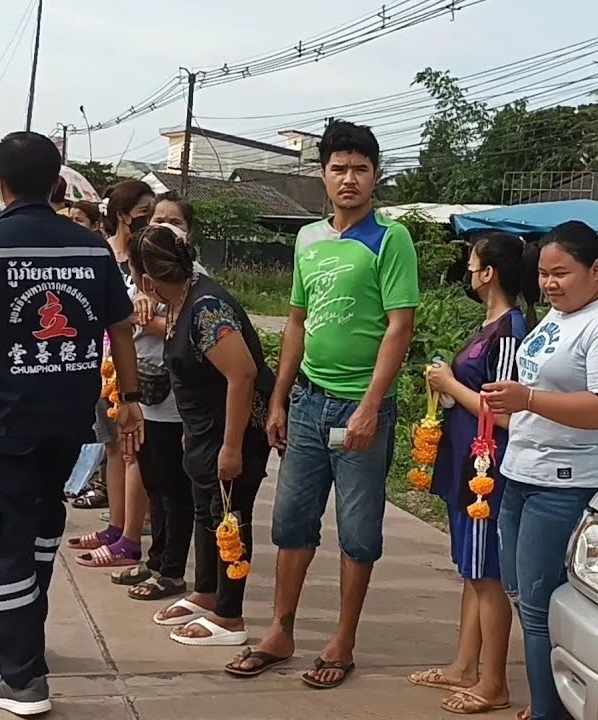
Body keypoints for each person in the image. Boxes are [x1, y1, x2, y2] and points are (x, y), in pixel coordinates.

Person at [0, 130, 144, 716]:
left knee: (4, 540)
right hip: (69, 421)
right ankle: (30, 641)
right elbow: (121, 327)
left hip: (6, 423)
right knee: (43, 529)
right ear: (55, 184)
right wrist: (129, 398)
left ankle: (21, 678)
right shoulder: (92, 248)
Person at [228, 120, 418, 688]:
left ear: (376, 176)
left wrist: (370, 405)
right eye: (339, 168)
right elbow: (296, 322)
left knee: (358, 531)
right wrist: (279, 400)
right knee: (291, 523)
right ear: (323, 175)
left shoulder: (390, 239)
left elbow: (399, 327)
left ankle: (343, 640)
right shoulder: (308, 239)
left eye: (360, 169)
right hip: (308, 404)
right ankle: (280, 631)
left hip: (361, 409)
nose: (349, 179)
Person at [482, 221, 598, 720]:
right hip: (524, 473)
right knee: (521, 594)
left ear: (597, 270)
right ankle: (547, 701)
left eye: (561, 273)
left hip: (569, 483)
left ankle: (547, 712)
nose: (549, 284)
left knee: (540, 608)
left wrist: (529, 399)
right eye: (543, 274)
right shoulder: (563, 312)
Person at [128, 222, 274, 647]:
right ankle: (207, 593)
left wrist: (231, 446)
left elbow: (242, 375)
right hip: (204, 431)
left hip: (232, 431)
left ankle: (229, 616)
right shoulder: (181, 300)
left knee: (229, 516)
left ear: (147, 280)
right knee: (207, 511)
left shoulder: (207, 309)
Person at [409, 232, 534, 715]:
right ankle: (465, 666)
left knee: (488, 576)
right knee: (472, 570)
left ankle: (493, 681)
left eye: (473, 264)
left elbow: (503, 413)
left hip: (487, 468)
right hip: (465, 462)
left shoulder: (509, 332)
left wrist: (449, 383)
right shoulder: (491, 326)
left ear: (489, 273)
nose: (468, 271)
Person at [119, 195, 207, 606]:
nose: (166, 227)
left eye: (176, 222)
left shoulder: (192, 276)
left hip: (177, 401)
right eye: (159, 219)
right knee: (155, 483)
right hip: (146, 394)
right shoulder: (142, 267)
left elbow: (183, 328)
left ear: (188, 232)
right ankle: (156, 562)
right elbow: (126, 317)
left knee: (174, 489)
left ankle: (171, 571)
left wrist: (147, 317)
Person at [66, 180, 154, 567]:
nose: (150, 221)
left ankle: (130, 535)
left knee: (132, 449)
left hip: (138, 366)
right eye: (144, 213)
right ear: (121, 215)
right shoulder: (100, 254)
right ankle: (116, 528)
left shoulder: (150, 257)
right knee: (113, 447)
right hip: (103, 363)